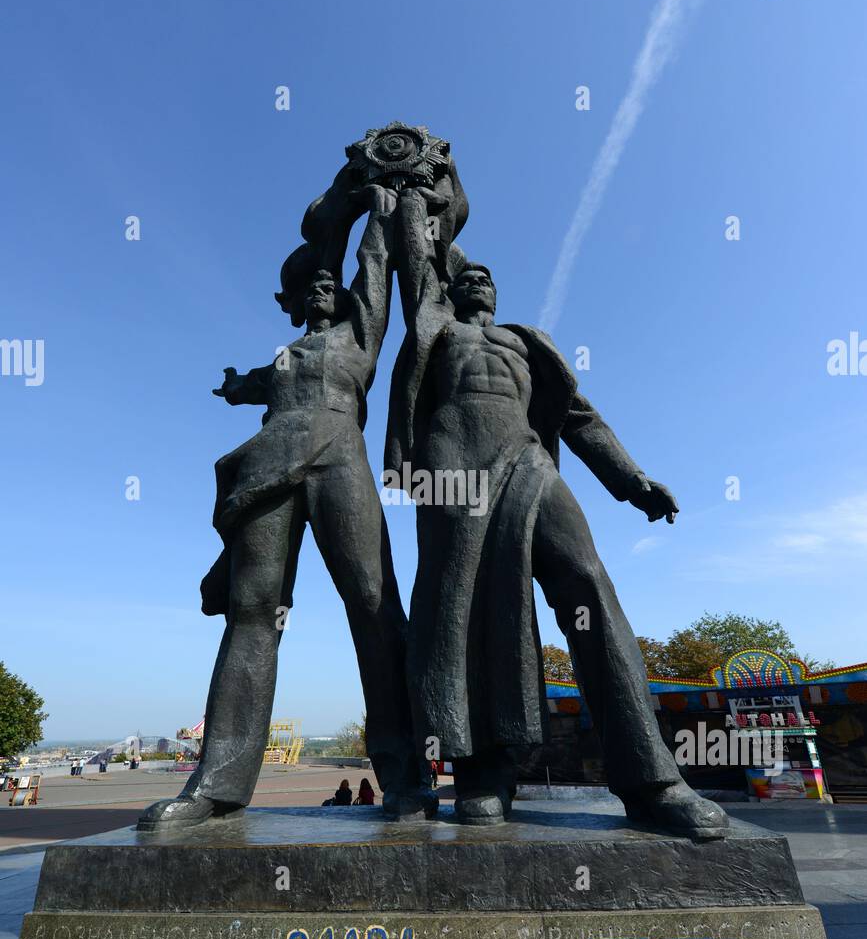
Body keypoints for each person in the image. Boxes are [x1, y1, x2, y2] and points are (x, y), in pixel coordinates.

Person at [385, 187, 728, 839]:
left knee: (587, 585)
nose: (480, 283)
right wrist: (422, 188)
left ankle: (652, 779)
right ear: (452, 291)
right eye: (469, 278)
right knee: (461, 614)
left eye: (489, 279)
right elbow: (420, 252)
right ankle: (484, 771)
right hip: (451, 479)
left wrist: (630, 480)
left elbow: (578, 418)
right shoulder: (436, 331)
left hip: (528, 467)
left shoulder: (525, 341)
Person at [138, 187, 436, 832]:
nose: (327, 287)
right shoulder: (280, 359)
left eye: (336, 284)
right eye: (315, 286)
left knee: (374, 605)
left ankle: (406, 774)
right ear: (297, 302)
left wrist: (379, 212)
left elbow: (373, 269)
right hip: (272, 463)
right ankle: (217, 782)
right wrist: (237, 386)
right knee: (252, 612)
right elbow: (243, 386)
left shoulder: (360, 335)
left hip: (339, 459)